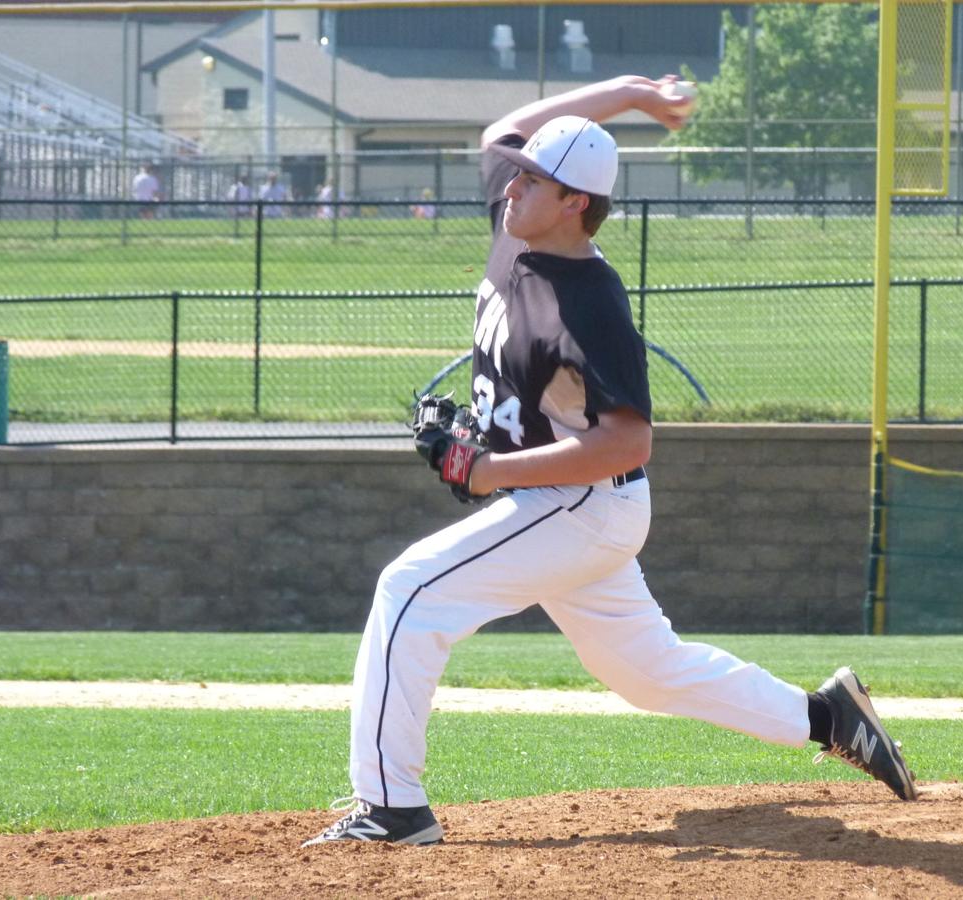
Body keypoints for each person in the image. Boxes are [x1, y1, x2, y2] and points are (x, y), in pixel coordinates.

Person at [302, 75, 916, 848]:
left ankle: (392, 809)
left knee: (409, 591)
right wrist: (629, 93)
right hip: (567, 506)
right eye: (520, 174)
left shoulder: (591, 302)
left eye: (534, 180)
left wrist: (487, 471)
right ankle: (829, 718)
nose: (512, 184)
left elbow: (628, 441)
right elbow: (505, 125)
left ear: (574, 204)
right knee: (645, 671)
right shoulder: (516, 225)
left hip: (582, 501)